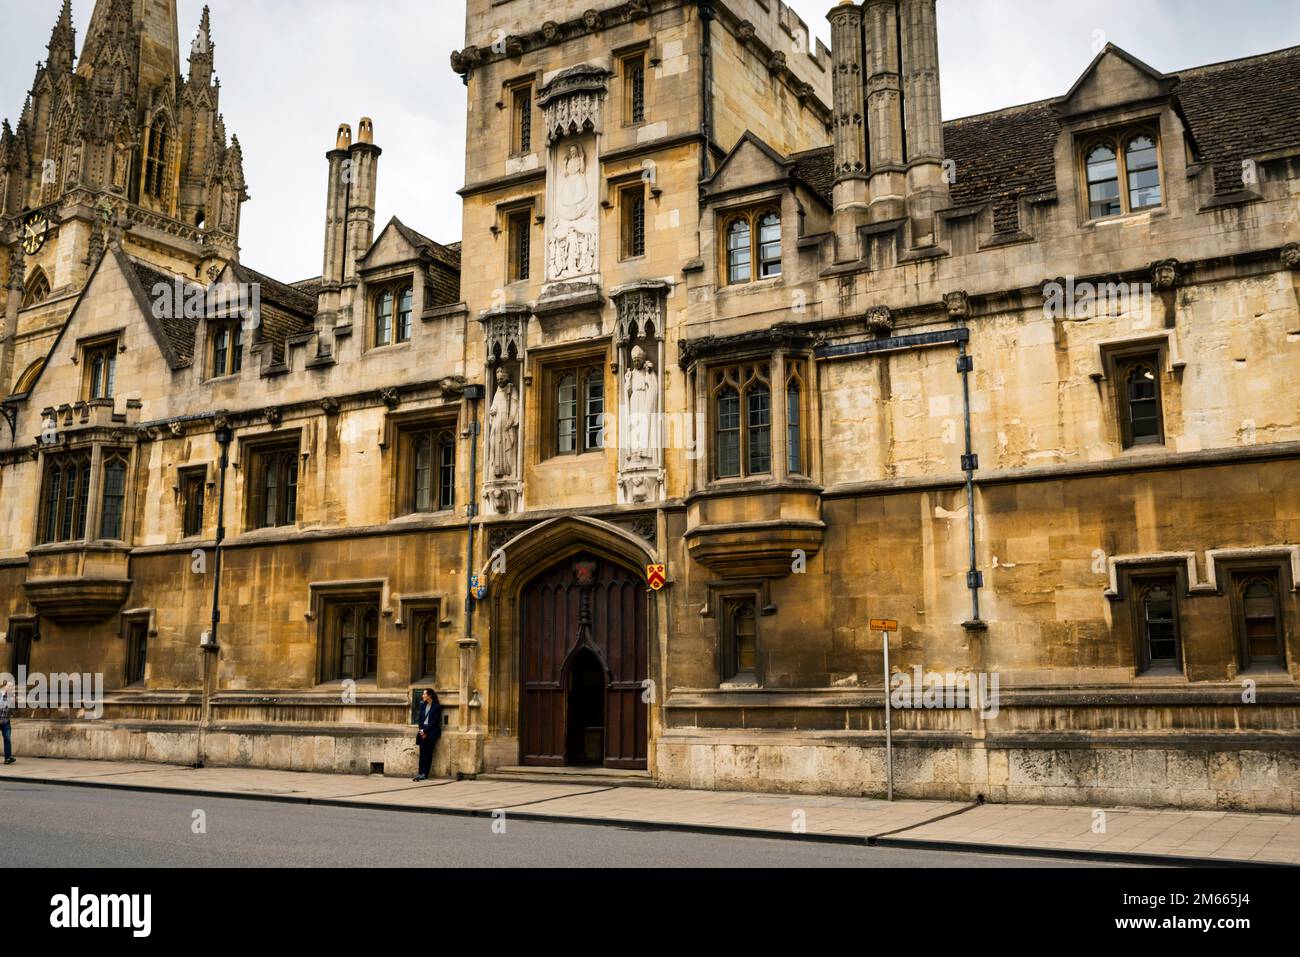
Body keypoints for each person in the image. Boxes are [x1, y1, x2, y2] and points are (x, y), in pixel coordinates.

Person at [413, 688, 442, 782]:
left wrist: (425, 731)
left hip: (431, 732)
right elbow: (420, 719)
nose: (423, 696)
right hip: (422, 732)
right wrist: (421, 730)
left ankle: (425, 774)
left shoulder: (436, 707)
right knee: (422, 754)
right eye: (423, 694)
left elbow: (435, 722)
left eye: (424, 694)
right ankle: (420, 773)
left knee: (428, 754)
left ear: (429, 695)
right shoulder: (422, 705)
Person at [1, 678, 15, 765]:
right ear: (5, 686)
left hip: (5, 721)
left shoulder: (11, 696)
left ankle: (8, 758)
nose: (10, 688)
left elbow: (12, 709)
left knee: (7, 739)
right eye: (9, 686)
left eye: (12, 687)